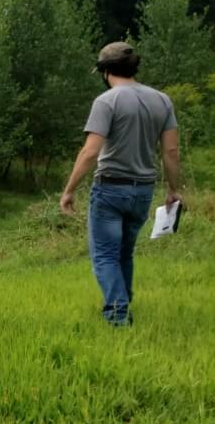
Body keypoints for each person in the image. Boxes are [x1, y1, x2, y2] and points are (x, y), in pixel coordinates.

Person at [59, 41, 181, 326]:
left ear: (104, 71)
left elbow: (90, 151)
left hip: (110, 189)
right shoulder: (162, 100)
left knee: (104, 256)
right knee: (124, 252)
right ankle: (124, 303)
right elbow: (171, 152)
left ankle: (118, 315)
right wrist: (173, 189)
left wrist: (69, 190)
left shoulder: (107, 101)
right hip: (144, 189)